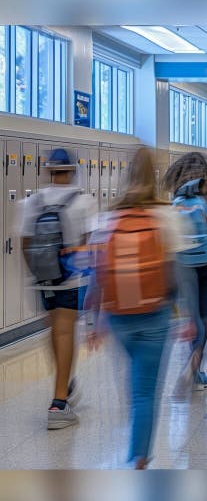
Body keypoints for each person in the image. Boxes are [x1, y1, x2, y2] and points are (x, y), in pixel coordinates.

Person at [84, 148, 193, 469]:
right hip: (156, 314)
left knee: (133, 387)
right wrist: (187, 316)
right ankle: (139, 457)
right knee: (146, 391)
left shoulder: (108, 219)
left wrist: (94, 322)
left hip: (119, 317)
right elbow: (180, 272)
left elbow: (96, 275)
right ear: (156, 177)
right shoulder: (167, 216)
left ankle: (135, 448)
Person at [19, 148, 97, 430]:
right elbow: (88, 245)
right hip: (70, 279)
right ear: (73, 170)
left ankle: (65, 384)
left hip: (43, 279)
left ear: (48, 170)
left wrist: (40, 274)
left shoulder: (32, 201)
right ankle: (58, 404)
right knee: (66, 332)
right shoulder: (83, 201)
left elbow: (26, 245)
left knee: (55, 332)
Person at [164, 152, 207, 391]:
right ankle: (197, 365)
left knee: (191, 315)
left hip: (183, 263)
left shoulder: (177, 198)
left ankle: (191, 363)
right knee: (205, 315)